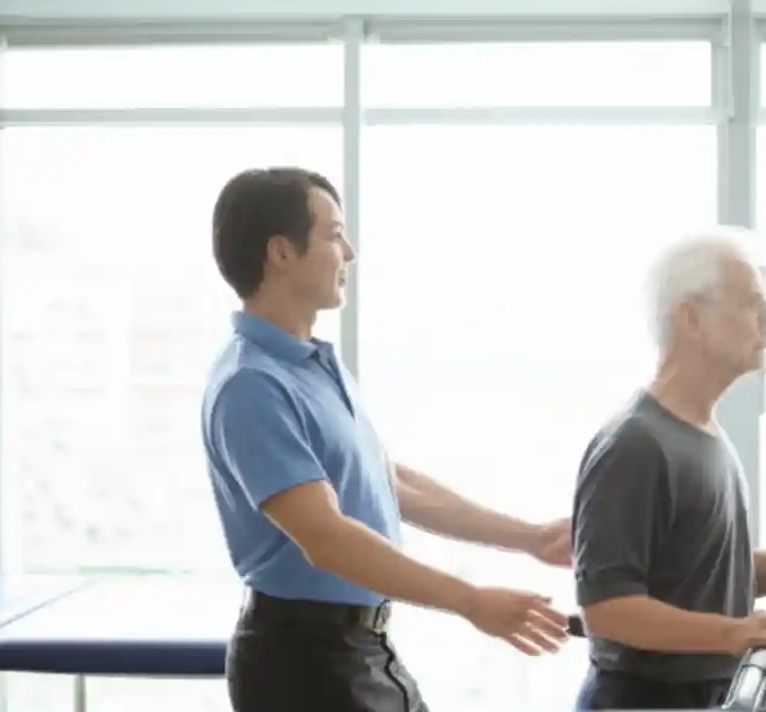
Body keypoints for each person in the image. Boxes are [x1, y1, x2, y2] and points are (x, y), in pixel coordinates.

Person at [200, 166, 571, 712]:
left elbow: (389, 482)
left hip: (360, 650)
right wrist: (470, 601)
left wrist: (531, 538)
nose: (348, 253)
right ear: (281, 253)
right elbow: (326, 537)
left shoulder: (312, 366)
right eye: (333, 235)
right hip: (304, 662)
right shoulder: (251, 384)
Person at [571, 229, 766, 710]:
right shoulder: (634, 444)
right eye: (753, 306)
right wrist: (735, 633)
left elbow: (722, 576)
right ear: (691, 318)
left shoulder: (705, 435)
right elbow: (607, 609)